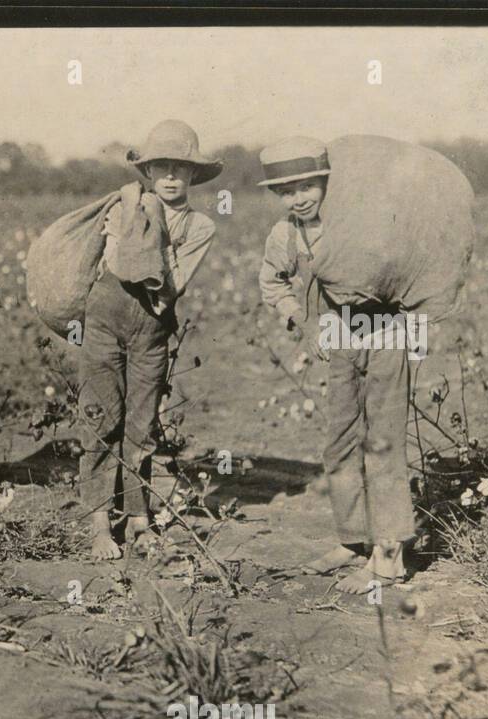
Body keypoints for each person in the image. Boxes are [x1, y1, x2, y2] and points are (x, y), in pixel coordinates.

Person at [257, 136, 414, 592]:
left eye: (307, 187)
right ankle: (354, 540)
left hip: (386, 334)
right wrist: (298, 317)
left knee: (382, 443)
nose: (299, 198)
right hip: (339, 339)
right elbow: (273, 279)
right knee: (340, 443)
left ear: (326, 184)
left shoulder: (359, 223)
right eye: (287, 191)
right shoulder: (285, 234)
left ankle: (389, 558)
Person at [79, 120, 220, 559]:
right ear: (149, 172)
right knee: (101, 418)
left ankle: (139, 519)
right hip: (105, 316)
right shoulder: (123, 208)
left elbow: (173, 283)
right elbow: (117, 263)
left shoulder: (199, 226)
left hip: (152, 327)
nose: (172, 176)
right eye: (162, 168)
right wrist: (145, 237)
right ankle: (99, 522)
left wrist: (149, 242)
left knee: (141, 425)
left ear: (195, 174)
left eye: (182, 168)